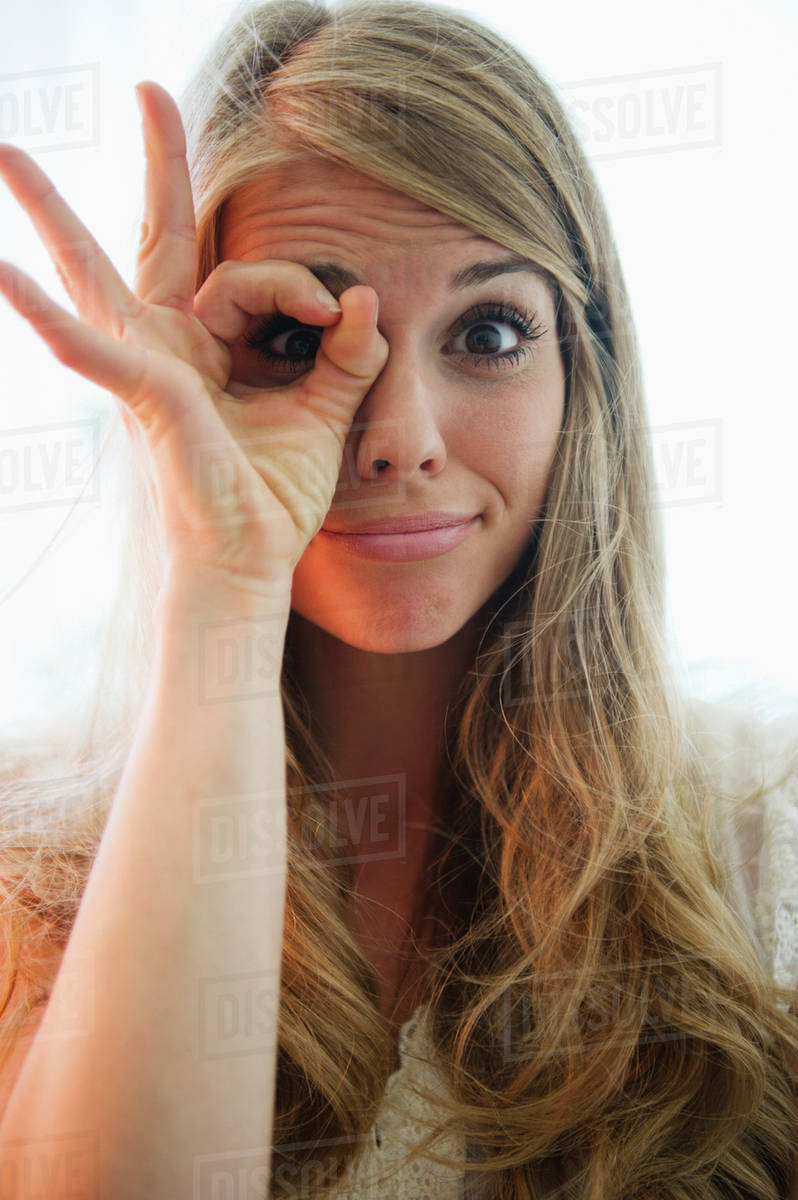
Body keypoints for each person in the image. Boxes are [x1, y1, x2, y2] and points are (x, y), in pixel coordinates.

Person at [0, 0, 796, 1195]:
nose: (399, 440)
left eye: (487, 329)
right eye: (290, 337)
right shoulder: (24, 885)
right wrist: (224, 574)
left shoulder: (765, 845)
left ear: (587, 377)